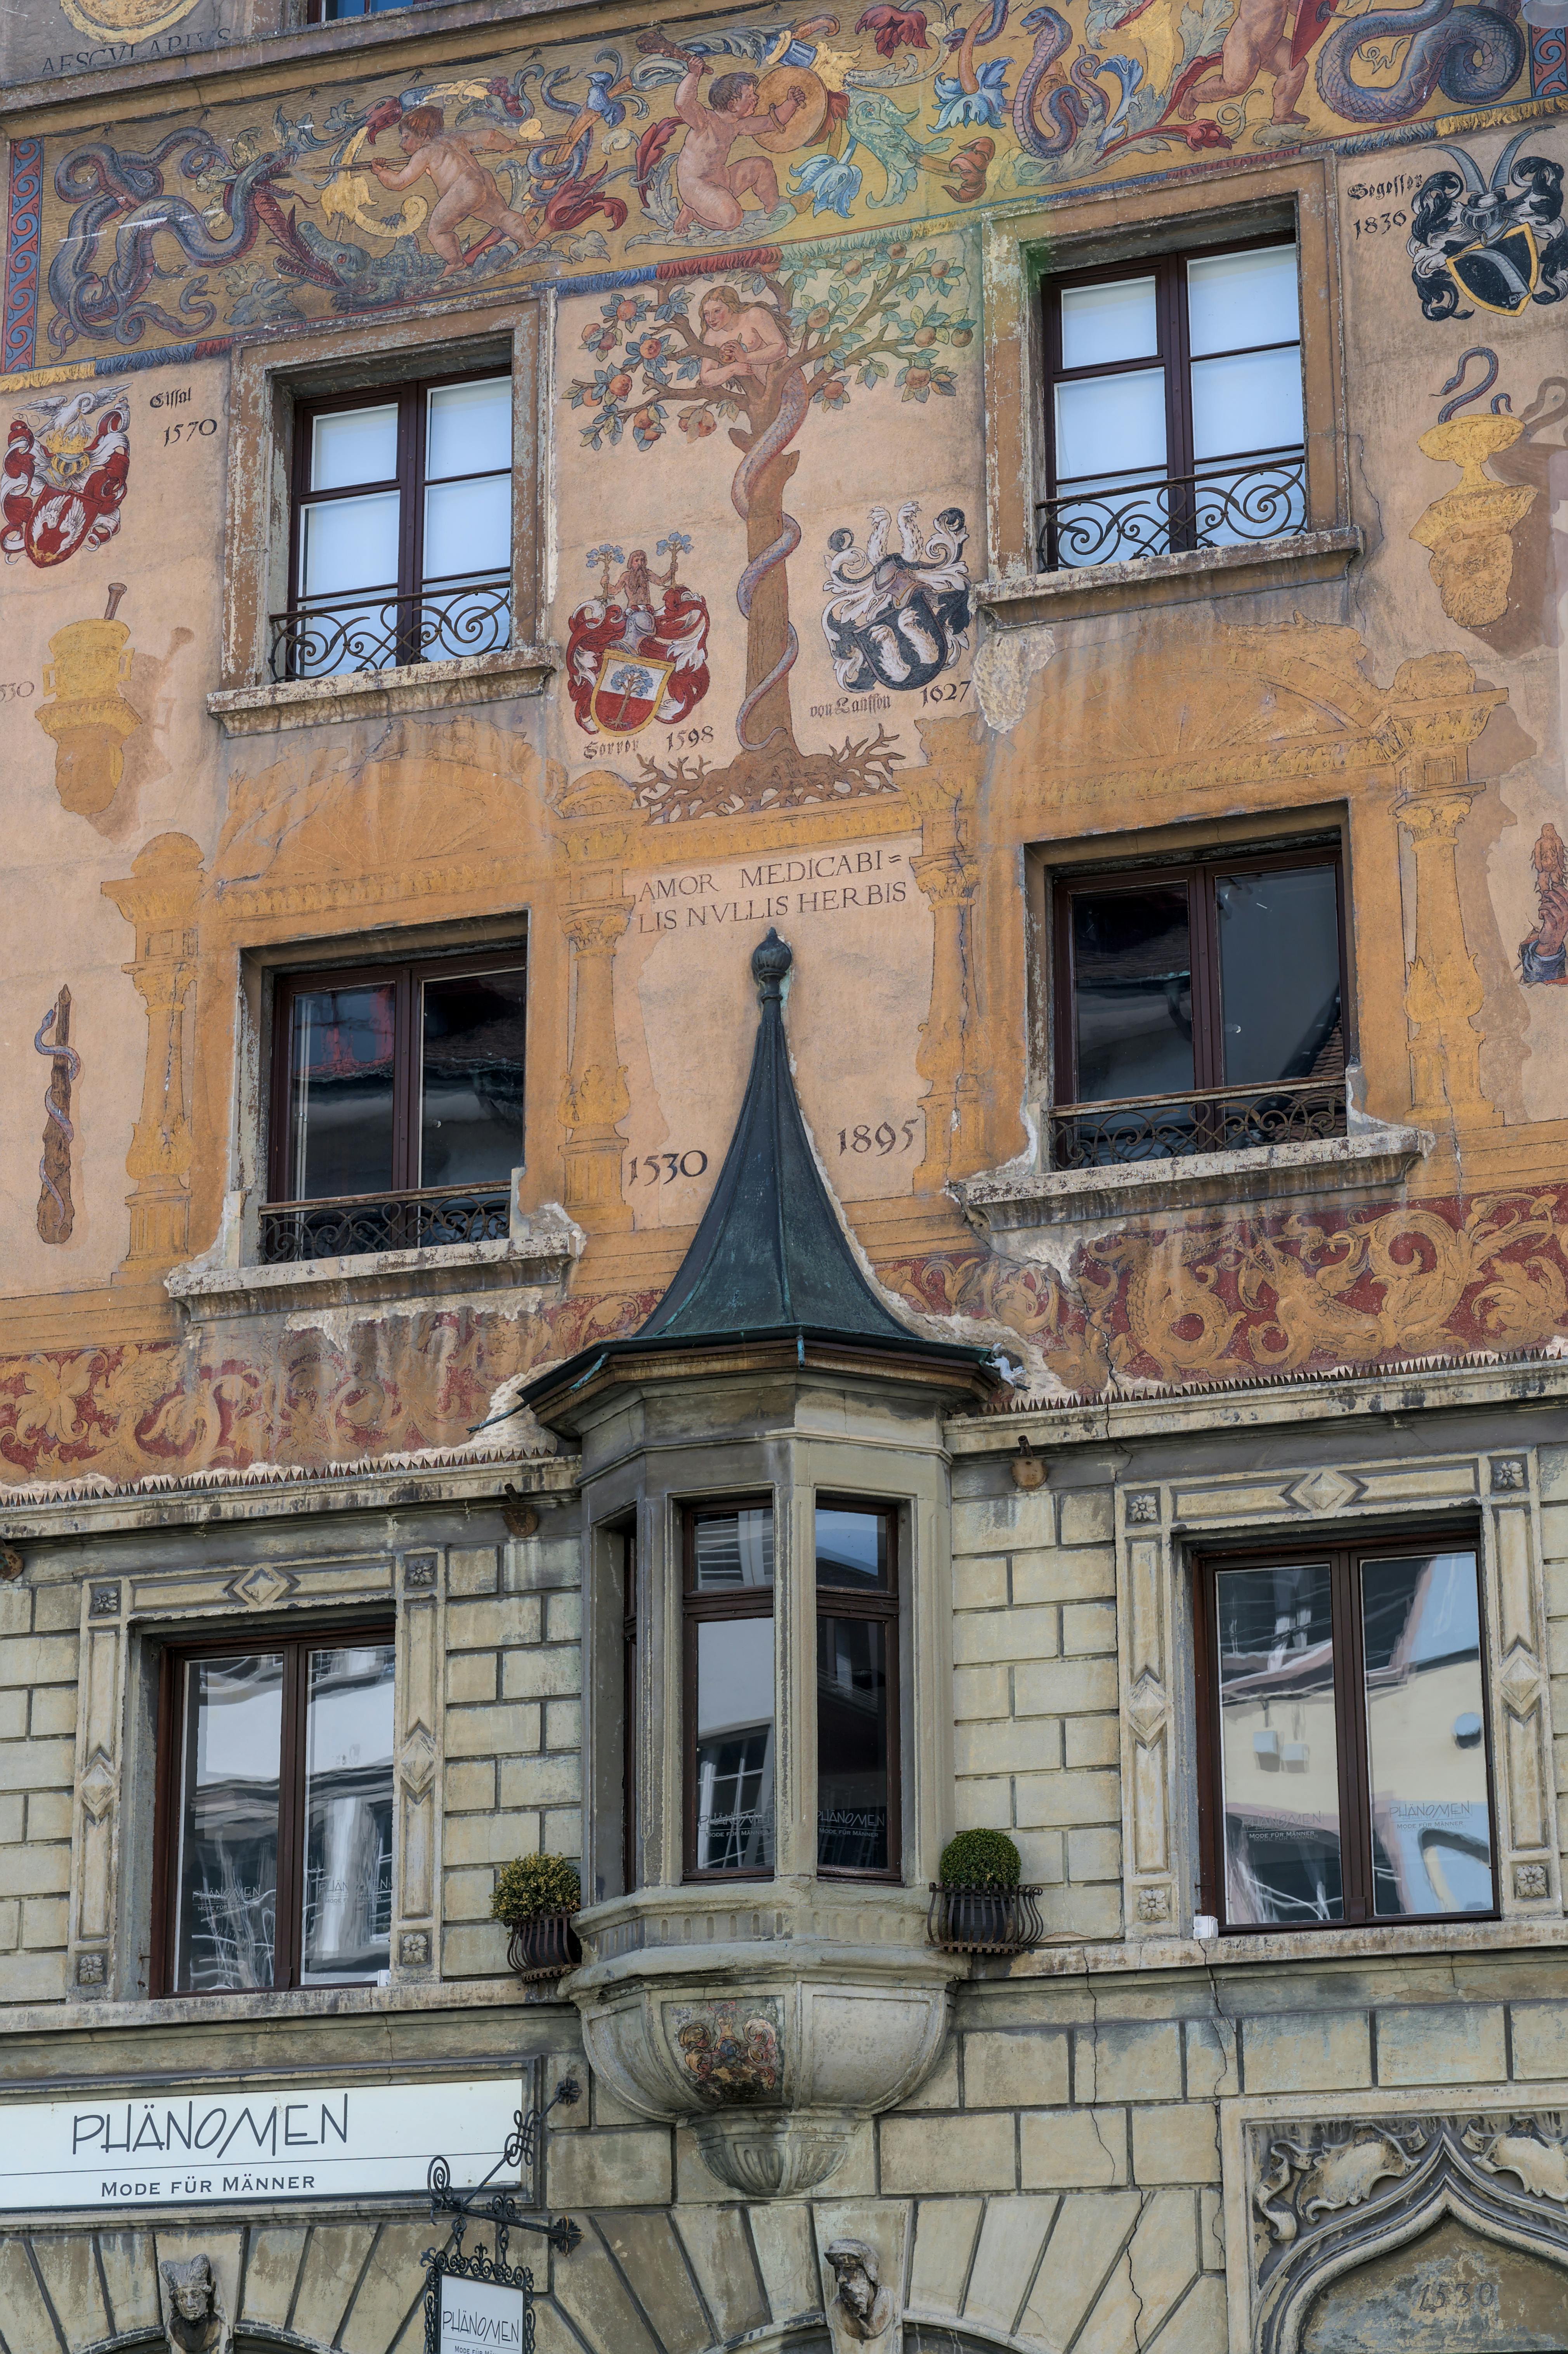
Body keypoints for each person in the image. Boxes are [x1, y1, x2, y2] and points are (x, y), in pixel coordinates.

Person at [368, 106, 542, 274]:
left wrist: (381, 172)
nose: (402, 144)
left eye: (406, 137)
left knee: (437, 232)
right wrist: (507, 144)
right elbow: (489, 136)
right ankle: (528, 240)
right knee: (501, 215)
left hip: (463, 188)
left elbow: (400, 182)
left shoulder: (426, 152)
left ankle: (456, 262)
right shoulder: (455, 138)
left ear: (422, 134)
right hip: (482, 179)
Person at [670, 60, 801, 230]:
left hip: (721, 180)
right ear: (732, 105)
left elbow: (770, 122)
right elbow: (683, 103)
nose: (756, 99)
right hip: (696, 185)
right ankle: (694, 213)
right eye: (750, 96)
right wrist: (695, 74)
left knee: (762, 166)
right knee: (733, 219)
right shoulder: (705, 121)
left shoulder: (737, 124)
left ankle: (773, 205)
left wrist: (791, 103)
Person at [1176, 0, 1310, 129]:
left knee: (1297, 68)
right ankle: (1193, 95)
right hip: (1245, 44)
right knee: (1234, 86)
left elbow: (1297, 8)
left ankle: (1283, 114)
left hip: (1272, 44)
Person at [696, 284, 791, 389]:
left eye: (717, 311)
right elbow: (706, 379)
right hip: (759, 391)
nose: (711, 319)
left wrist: (746, 357)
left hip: (786, 379)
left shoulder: (755, 315)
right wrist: (733, 369)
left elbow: (781, 348)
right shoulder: (712, 335)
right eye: (707, 314)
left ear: (731, 308)